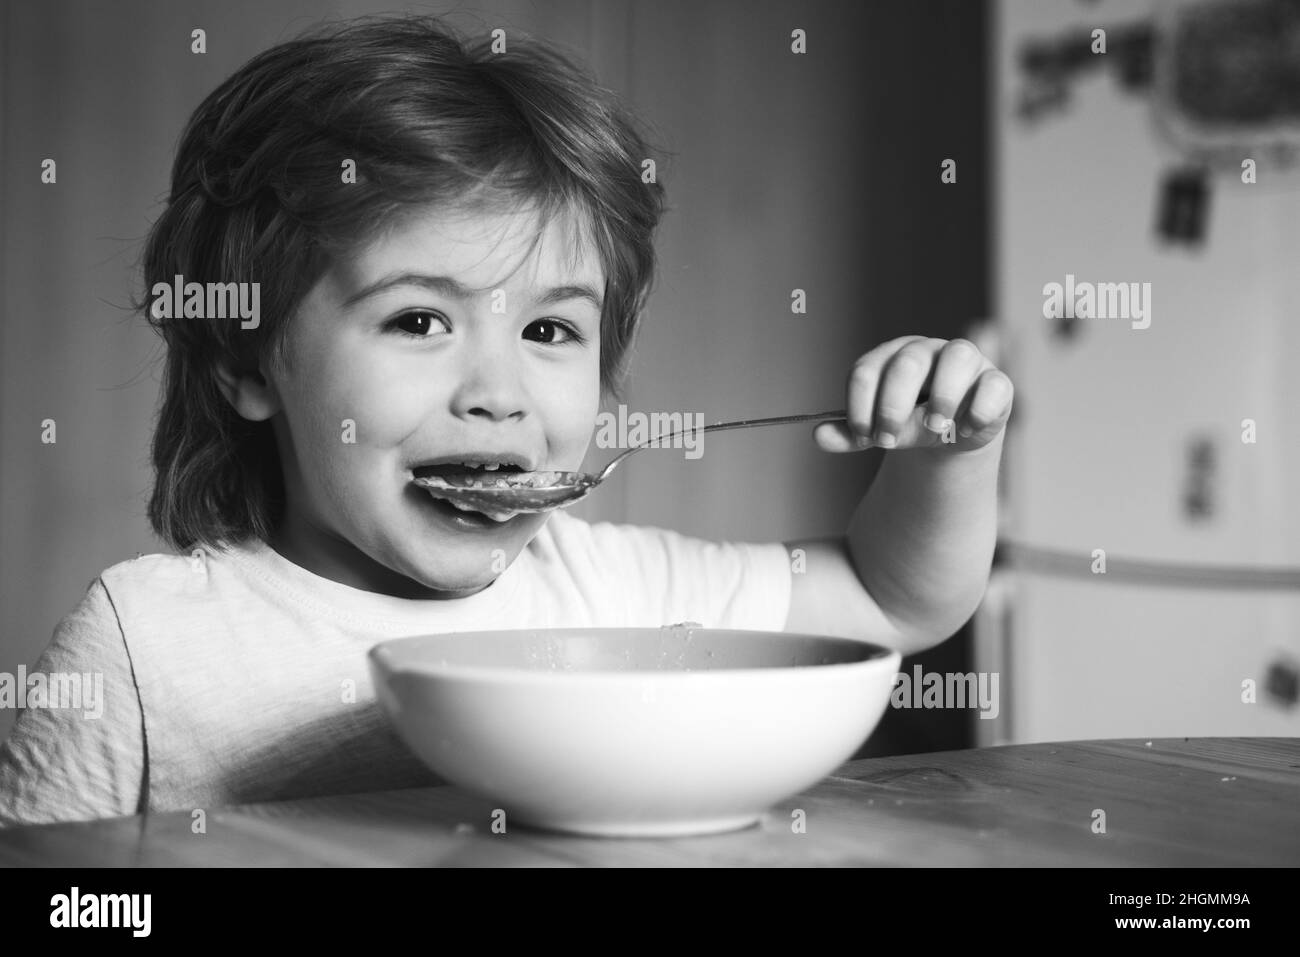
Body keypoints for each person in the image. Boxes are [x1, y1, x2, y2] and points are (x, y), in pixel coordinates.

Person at [0, 15, 1012, 827]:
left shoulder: (622, 594)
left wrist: (948, 457)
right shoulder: (142, 645)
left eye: (549, 329)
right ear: (246, 363)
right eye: (418, 319)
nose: (499, 389)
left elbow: (892, 599)